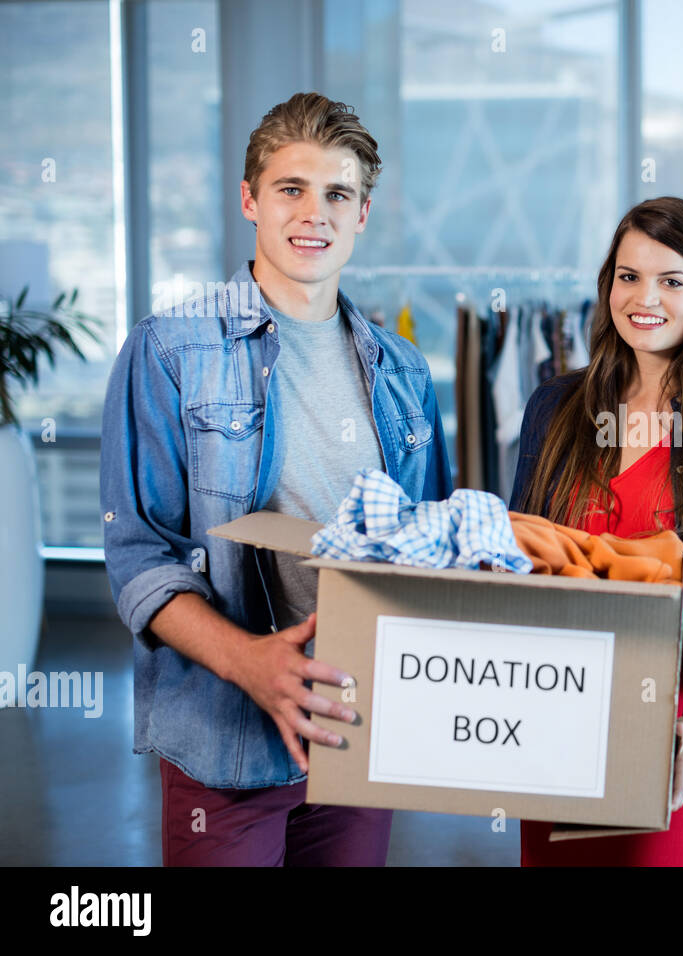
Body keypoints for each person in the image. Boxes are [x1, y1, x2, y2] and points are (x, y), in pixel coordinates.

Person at [100, 92, 452, 866]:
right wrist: (250, 663)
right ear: (249, 199)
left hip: (359, 729)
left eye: (337, 194)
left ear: (363, 213)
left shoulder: (401, 372)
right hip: (228, 733)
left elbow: (431, 548)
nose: (313, 214)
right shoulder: (170, 351)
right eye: (291, 189)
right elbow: (136, 555)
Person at [510, 196, 683, 866]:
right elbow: (515, 562)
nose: (643, 298)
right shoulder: (555, 408)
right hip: (557, 721)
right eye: (628, 276)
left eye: (670, 281)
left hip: (673, 735)